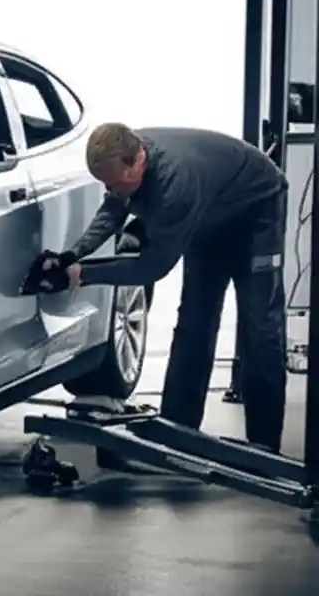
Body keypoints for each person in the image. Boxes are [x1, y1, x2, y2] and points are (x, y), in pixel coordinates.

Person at [57, 123, 289, 452]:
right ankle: (178, 430)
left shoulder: (175, 185)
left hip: (257, 210)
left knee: (260, 326)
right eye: (107, 185)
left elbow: (152, 267)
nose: (115, 190)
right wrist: (73, 254)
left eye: (118, 182)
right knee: (195, 322)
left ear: (139, 159)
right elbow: (113, 209)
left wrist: (86, 274)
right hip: (209, 213)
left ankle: (265, 444)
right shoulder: (122, 154)